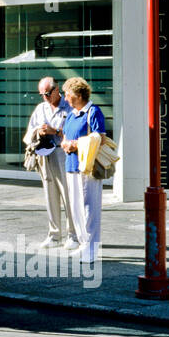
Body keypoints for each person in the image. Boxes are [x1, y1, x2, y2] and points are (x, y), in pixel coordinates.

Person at [24, 77, 76, 248]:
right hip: (45, 154)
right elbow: (30, 131)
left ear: (56, 90)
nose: (45, 97)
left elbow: (75, 132)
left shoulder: (68, 106)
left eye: (47, 93)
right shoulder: (41, 108)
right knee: (50, 194)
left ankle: (73, 235)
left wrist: (56, 131)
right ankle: (54, 235)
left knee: (69, 195)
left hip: (63, 154)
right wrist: (38, 131)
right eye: (42, 94)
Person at [59, 76, 105, 264]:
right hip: (71, 166)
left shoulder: (93, 112)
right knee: (76, 207)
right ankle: (83, 244)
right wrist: (65, 144)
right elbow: (64, 136)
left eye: (67, 94)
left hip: (87, 167)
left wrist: (76, 145)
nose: (65, 97)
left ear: (77, 95)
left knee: (89, 207)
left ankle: (92, 249)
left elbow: (99, 137)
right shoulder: (71, 114)